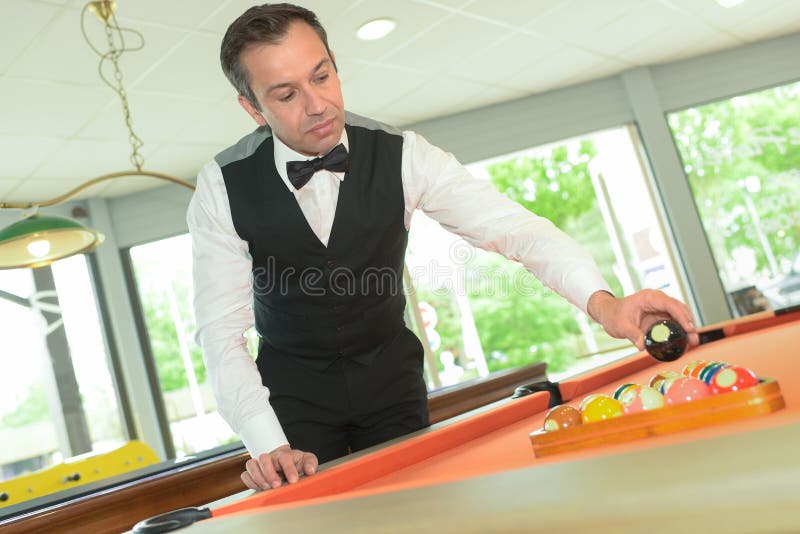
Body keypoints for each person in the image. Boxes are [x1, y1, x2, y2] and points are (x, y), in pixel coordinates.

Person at [187, 3, 699, 492]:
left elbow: (515, 228)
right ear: (252, 108)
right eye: (285, 94)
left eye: (322, 76)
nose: (317, 104)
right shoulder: (220, 187)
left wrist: (604, 303)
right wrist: (268, 443)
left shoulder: (405, 155)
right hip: (290, 403)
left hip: (392, 385)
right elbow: (220, 330)